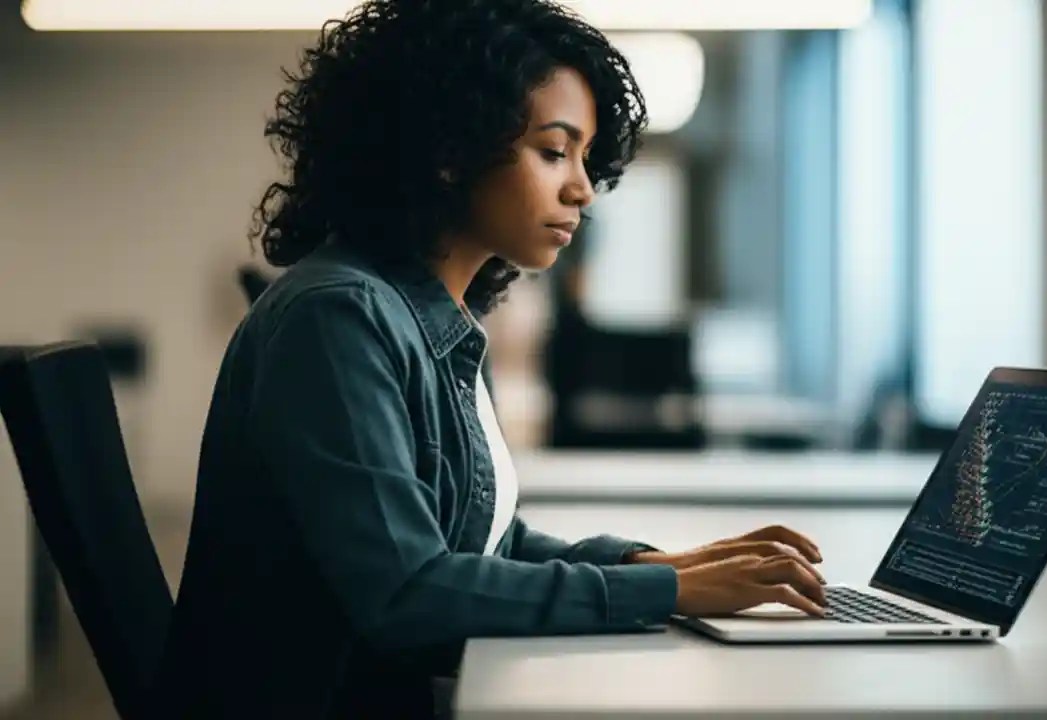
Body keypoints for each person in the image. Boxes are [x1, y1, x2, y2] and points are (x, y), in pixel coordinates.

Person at [158, 0, 828, 716]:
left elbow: (481, 541)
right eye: (553, 150)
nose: (581, 187)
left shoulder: (431, 319)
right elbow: (409, 593)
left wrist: (662, 566)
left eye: (583, 156)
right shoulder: (340, 316)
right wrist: (669, 593)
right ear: (451, 150)